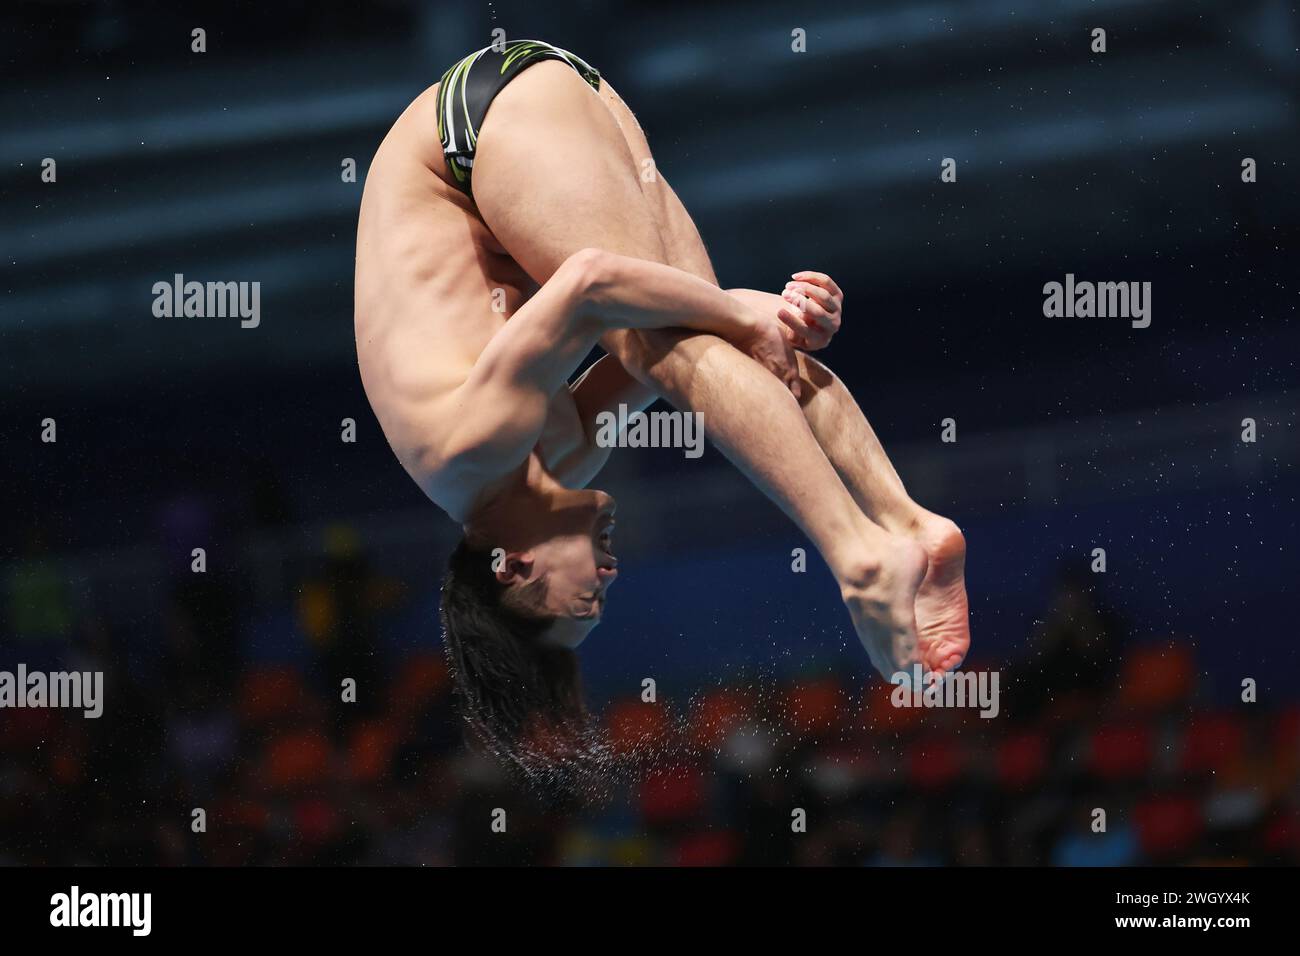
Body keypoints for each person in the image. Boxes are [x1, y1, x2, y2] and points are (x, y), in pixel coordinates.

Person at [354, 38, 969, 772]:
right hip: (549, 110)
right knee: (698, 354)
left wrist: (739, 320)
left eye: (585, 600)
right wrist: (776, 316)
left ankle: (858, 555)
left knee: (659, 344)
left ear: (513, 566)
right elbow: (705, 334)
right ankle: (908, 522)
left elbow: (588, 282)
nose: (609, 580)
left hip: (473, 135)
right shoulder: (565, 456)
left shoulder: (461, 448)